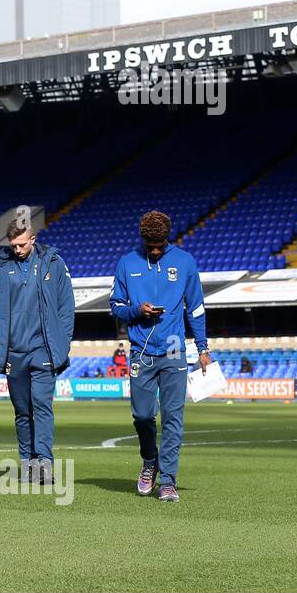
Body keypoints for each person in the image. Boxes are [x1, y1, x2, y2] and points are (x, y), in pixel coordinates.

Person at [109, 210, 212, 503]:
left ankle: (168, 480)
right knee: (142, 416)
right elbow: (116, 306)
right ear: (142, 239)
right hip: (141, 353)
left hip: (174, 352)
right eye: (150, 245)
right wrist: (136, 311)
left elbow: (196, 309)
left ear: (168, 238)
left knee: (173, 418)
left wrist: (203, 349)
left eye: (160, 244)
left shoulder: (185, 262)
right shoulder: (127, 263)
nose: (155, 250)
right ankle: (149, 460)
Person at [0, 218, 75, 484]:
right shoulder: (0, 269)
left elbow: (66, 307)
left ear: (33, 239)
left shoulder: (53, 264)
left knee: (42, 406)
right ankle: (27, 464)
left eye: (22, 244)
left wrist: (63, 342)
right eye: (13, 245)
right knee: (22, 411)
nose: (18, 250)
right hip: (14, 352)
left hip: (43, 350)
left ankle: (45, 464)